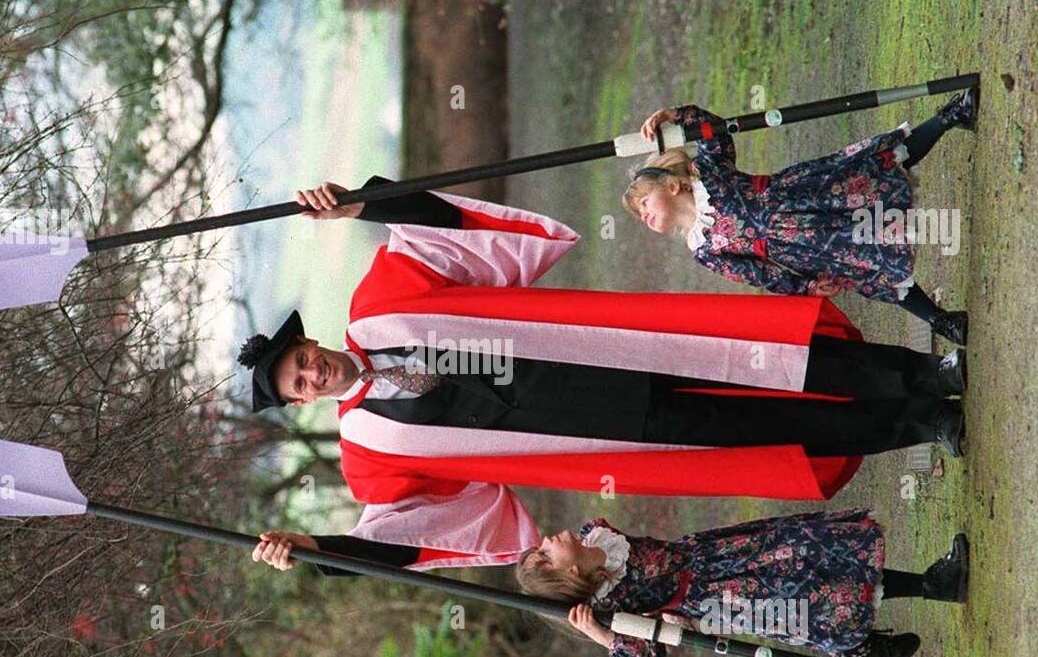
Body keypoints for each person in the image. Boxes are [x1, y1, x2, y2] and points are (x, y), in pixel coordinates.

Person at [244, 176, 965, 575]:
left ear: (309, 341)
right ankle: (924, 424)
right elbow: (396, 544)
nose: (312, 373)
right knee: (777, 428)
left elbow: (440, 224)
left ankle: (927, 373)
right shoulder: (371, 457)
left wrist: (361, 204)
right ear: (305, 403)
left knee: (776, 357)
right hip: (608, 434)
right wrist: (319, 552)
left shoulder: (380, 299)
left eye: (301, 359)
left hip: (609, 343)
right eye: (299, 385)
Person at [624, 87, 978, 345]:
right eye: (640, 215)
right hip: (807, 249)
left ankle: (950, 116)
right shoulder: (703, 250)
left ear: (671, 186)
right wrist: (805, 287)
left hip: (805, 192)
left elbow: (714, 132)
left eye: (643, 204)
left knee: (874, 166)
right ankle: (939, 319)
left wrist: (673, 115)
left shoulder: (708, 172)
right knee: (868, 265)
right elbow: (758, 273)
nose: (644, 216)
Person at [516, 512, 969, 657]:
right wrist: (600, 635)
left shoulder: (594, 536)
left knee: (817, 556)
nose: (545, 543)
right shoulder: (610, 605)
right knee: (809, 599)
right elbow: (649, 653)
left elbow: (608, 536)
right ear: (566, 575)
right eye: (544, 557)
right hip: (720, 598)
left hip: (718, 554)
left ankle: (934, 584)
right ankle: (852, 644)